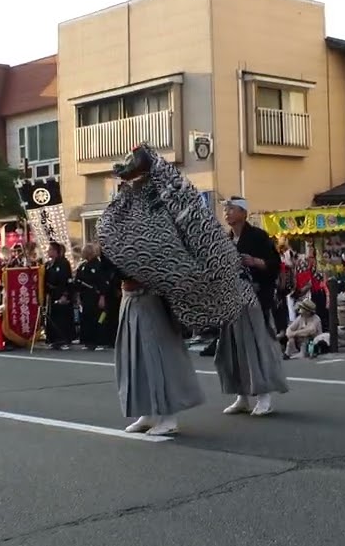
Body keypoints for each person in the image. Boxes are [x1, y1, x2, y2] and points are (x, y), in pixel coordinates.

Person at [99, 144, 247, 435]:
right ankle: (146, 412)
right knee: (134, 357)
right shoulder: (124, 204)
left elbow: (168, 248)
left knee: (158, 355)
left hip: (155, 295)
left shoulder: (162, 203)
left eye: (135, 173)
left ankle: (168, 415)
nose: (129, 181)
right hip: (130, 295)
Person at [219, 196, 290, 416]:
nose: (227, 213)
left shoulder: (258, 236)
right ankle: (241, 396)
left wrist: (255, 262)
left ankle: (264, 396)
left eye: (231, 209)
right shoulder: (226, 238)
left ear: (243, 213)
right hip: (233, 299)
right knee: (235, 348)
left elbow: (276, 265)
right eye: (225, 210)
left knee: (258, 346)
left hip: (255, 298)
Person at [75, 243, 109, 351]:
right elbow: (78, 281)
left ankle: (99, 342)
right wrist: (78, 296)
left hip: (96, 295)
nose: (82, 253)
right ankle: (88, 341)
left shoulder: (98, 265)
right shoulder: (83, 265)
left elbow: (102, 282)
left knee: (98, 319)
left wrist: (102, 297)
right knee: (86, 318)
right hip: (85, 296)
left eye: (84, 251)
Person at [43, 241, 75, 350]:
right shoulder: (48, 264)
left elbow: (67, 280)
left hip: (60, 292)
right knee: (52, 316)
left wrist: (65, 295)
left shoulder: (63, 263)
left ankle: (63, 340)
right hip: (51, 293)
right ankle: (53, 339)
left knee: (62, 317)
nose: (48, 251)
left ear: (56, 251)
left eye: (50, 249)